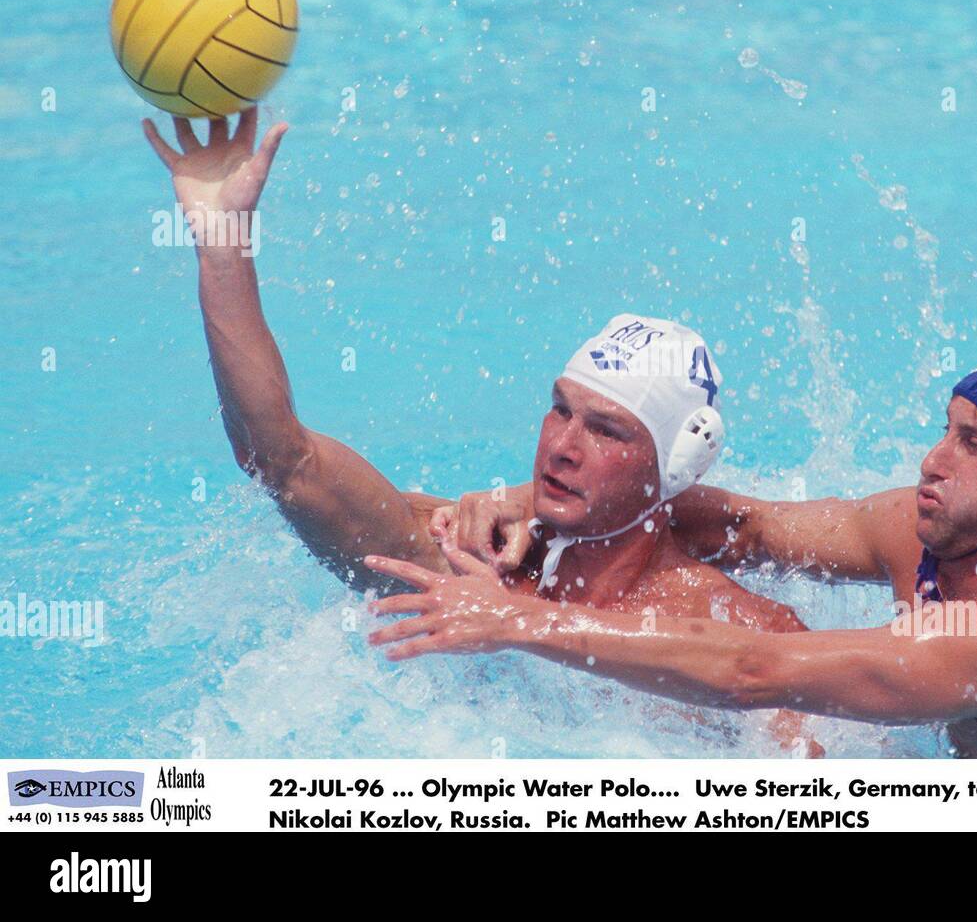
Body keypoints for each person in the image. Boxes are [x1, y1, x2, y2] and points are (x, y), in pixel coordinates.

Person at [142, 108, 822, 754]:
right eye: (560, 408)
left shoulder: (750, 637)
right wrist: (224, 250)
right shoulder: (476, 560)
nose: (562, 444)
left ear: (673, 464)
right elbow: (283, 461)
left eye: (607, 429)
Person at [365, 358, 977, 758]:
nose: (931, 460)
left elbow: (755, 669)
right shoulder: (924, 530)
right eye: (944, 427)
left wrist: (528, 621)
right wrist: (532, 501)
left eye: (972, 444)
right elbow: (752, 526)